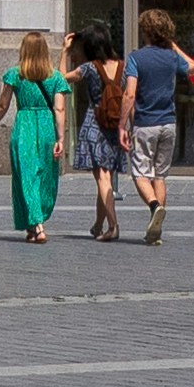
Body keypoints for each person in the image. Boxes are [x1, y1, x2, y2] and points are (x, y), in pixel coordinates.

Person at [124, 0, 192, 240]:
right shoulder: (172, 57)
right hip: (168, 122)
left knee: (140, 173)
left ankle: (154, 207)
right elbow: (193, 67)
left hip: (145, 123)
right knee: (160, 176)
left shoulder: (136, 58)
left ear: (145, 31)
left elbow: (130, 94)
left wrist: (122, 125)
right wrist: (174, 46)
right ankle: (156, 228)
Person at [0, 29, 64, 239]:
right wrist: (61, 138)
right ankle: (34, 223)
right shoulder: (56, 77)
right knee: (44, 176)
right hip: (46, 127)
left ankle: (37, 225)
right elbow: (60, 109)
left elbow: (3, 105)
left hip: (24, 126)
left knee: (26, 175)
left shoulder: (15, 75)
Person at [74, 35, 131, 244]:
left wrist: (64, 52)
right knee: (105, 177)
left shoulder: (90, 68)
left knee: (102, 178)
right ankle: (98, 224)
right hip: (114, 124)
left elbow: (61, 78)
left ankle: (113, 225)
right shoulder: (124, 67)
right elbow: (130, 96)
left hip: (95, 123)